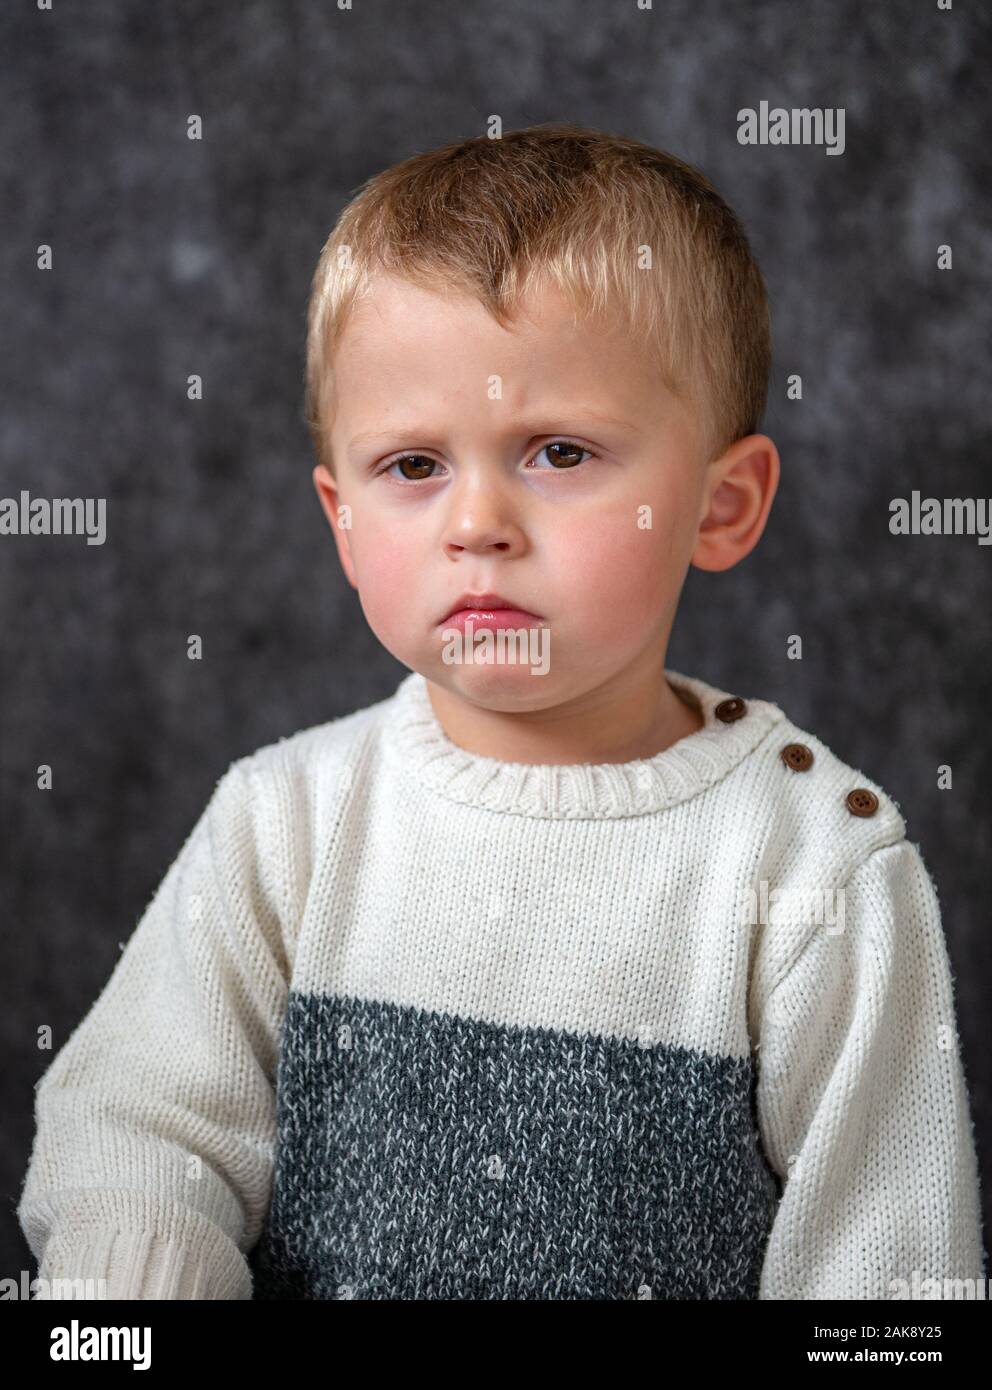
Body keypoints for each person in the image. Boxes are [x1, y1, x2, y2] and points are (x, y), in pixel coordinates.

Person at [19, 123, 985, 1300]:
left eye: (558, 451)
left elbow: (885, 1272)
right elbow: (137, 1133)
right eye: (413, 466)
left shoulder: (815, 867)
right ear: (340, 517)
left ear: (719, 506)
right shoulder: (282, 823)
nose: (475, 521)